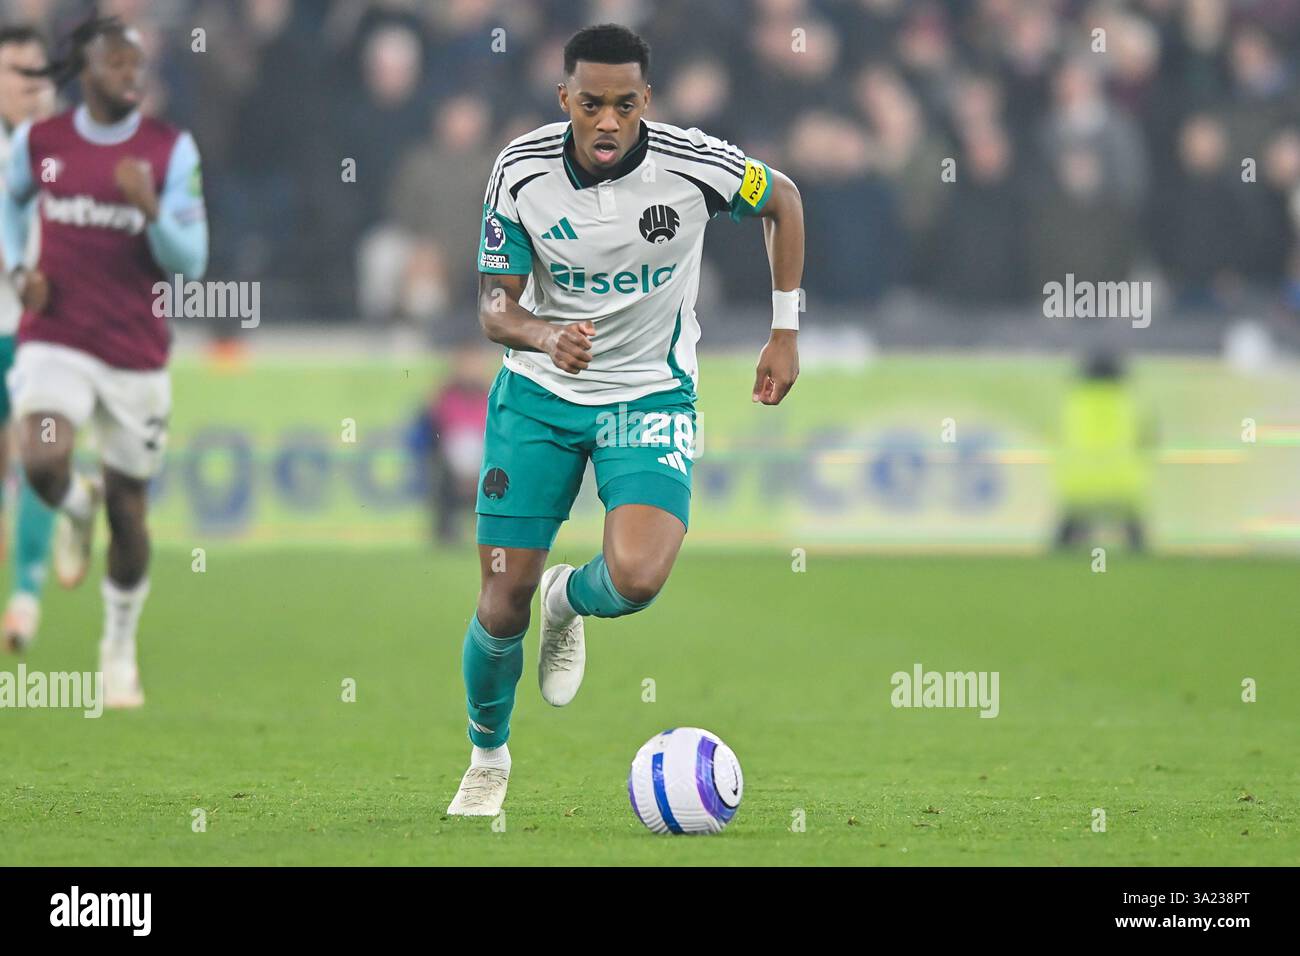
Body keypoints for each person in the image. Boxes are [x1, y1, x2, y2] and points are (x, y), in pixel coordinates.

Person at [447, 24, 804, 816]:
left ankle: (569, 599)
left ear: (647, 100)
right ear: (564, 99)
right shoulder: (519, 171)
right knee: (501, 598)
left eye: (624, 104)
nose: (607, 121)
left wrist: (785, 330)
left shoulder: (694, 164)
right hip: (538, 395)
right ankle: (487, 758)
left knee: (638, 578)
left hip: (648, 393)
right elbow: (492, 305)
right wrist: (546, 334)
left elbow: (784, 198)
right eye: (590, 104)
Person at [0, 15, 208, 705]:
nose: (131, 75)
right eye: (117, 65)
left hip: (133, 355)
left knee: (129, 513)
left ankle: (118, 645)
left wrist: (152, 213)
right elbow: (8, 204)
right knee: (42, 455)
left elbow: (193, 262)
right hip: (55, 337)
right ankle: (70, 502)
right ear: (85, 73)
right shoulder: (39, 142)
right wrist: (16, 270)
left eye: (136, 65)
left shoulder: (168, 150)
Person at [0, 24, 55, 651]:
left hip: (45, 335)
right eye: (17, 70)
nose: (29, 83)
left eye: (37, 71)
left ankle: (24, 600)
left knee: (42, 456)